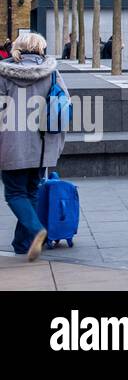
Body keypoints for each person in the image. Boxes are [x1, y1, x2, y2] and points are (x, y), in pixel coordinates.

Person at [0, 32, 67, 260]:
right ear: (40, 48)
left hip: (11, 145)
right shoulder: (52, 73)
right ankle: (22, 243)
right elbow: (64, 104)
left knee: (14, 194)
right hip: (42, 146)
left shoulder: (3, 74)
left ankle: (37, 231)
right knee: (30, 192)